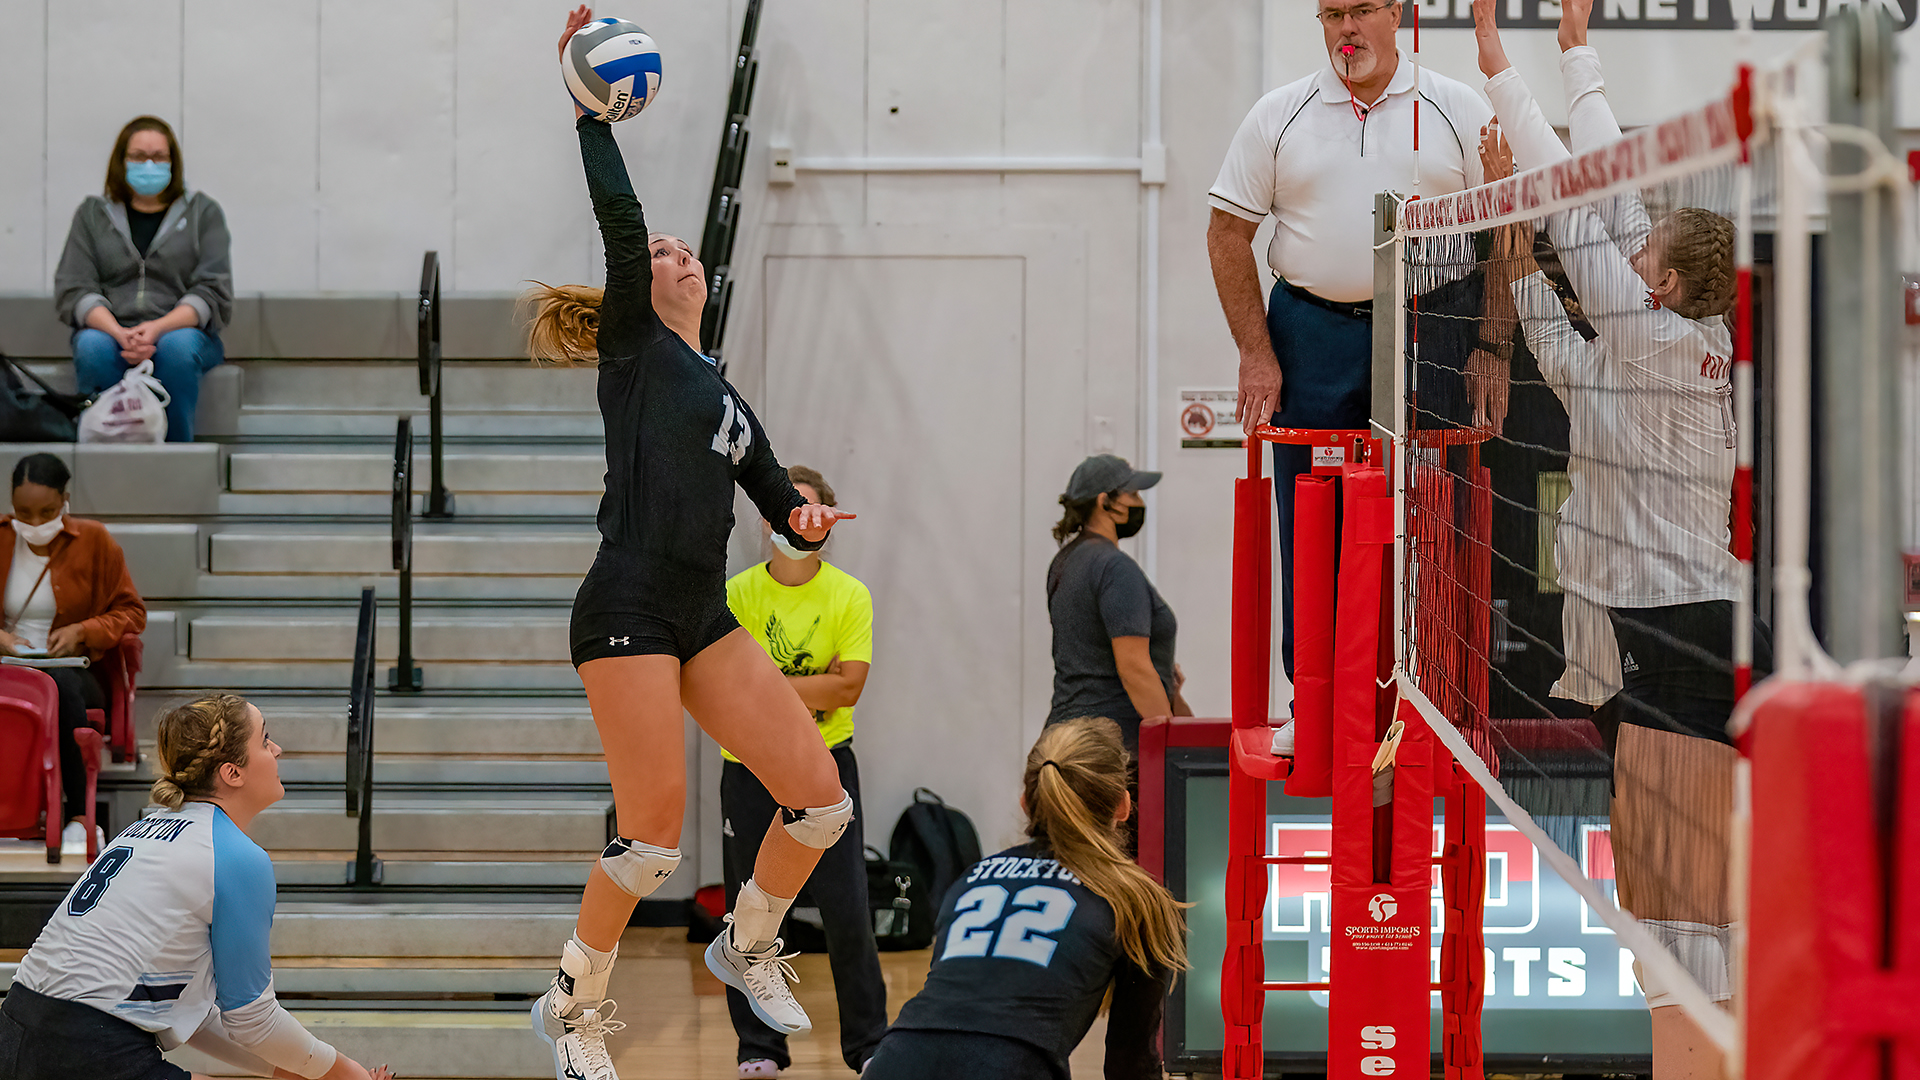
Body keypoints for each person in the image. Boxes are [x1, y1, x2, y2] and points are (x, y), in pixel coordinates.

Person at [518, 10, 858, 1080]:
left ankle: (749, 941)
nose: (668, 251)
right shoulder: (632, 347)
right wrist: (587, 116)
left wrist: (804, 521)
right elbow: (620, 214)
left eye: (679, 249)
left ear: (701, 282)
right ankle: (573, 1008)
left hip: (700, 611)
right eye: (657, 251)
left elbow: (777, 501)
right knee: (652, 843)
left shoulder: (730, 400)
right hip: (623, 602)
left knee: (822, 802)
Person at [1472, 3, 1769, 1076]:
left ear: (1667, 280)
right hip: (1651, 626)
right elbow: (1603, 204)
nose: (1630, 243)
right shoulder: (1686, 337)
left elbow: (1572, 187)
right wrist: (1570, 50)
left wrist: (1501, 66)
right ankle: (1703, 1047)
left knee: (1679, 917)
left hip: (1676, 636)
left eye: (1646, 250)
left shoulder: (1647, 331)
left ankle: (1713, 1056)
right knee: (1672, 906)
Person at [1207, 0, 1502, 704]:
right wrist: (1257, 351)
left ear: (1396, 14)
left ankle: (1427, 695)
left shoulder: (1457, 108)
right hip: (1311, 332)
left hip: (1433, 328)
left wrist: (1492, 343)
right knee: (1312, 519)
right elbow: (1225, 233)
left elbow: (1505, 236)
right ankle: (1312, 698)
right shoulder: (1278, 115)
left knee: (1429, 516)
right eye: (1332, 14)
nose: (1347, 28)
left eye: (1361, 10)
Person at [2, 693, 391, 1080]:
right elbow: (253, 1019)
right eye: (265, 740)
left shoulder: (142, 829)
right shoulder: (236, 856)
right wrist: (345, 1072)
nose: (278, 749)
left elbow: (193, 1014)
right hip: (86, 1048)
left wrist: (300, 1071)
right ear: (232, 773)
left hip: (17, 1029)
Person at [863, 716, 1186, 1080]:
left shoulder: (973, 878)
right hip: (1007, 1067)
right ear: (1124, 806)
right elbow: (1131, 1063)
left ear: (1025, 803)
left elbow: (953, 1005)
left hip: (896, 1059)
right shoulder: (1137, 900)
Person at [719, 465, 885, 1078]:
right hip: (748, 770)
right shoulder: (736, 594)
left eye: (813, 510)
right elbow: (726, 691)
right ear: (768, 519)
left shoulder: (849, 594)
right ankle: (760, 1050)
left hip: (826, 768)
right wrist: (801, 691)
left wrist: (769, 689)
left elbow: (849, 688)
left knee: (847, 911)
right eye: (789, 509)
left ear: (830, 521)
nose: (799, 521)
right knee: (750, 915)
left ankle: (869, 1046)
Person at [0, 453, 146, 855]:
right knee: (36, 684)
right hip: (10, 667)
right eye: (23, 513)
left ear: (65, 501)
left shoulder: (94, 540)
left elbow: (133, 613)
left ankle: (81, 815)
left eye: (45, 512)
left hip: (74, 672)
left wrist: (83, 630)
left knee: (58, 684)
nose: (33, 523)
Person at [54, 115, 231, 443]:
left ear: (173, 162)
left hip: (183, 333)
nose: (149, 164)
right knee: (92, 346)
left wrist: (158, 328)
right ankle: (105, 455)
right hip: (110, 330)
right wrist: (118, 332)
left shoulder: (204, 213)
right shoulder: (92, 215)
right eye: (138, 156)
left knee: (176, 348)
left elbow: (213, 289)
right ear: (121, 162)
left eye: (159, 157)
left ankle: (176, 458)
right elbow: (74, 286)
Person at [1046, 455, 1191, 753]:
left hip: (1066, 739)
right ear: (1105, 502)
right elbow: (1134, 669)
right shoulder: (1114, 567)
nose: (1140, 503)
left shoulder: (1063, 563)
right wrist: (1174, 748)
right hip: (1114, 750)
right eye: (1133, 494)